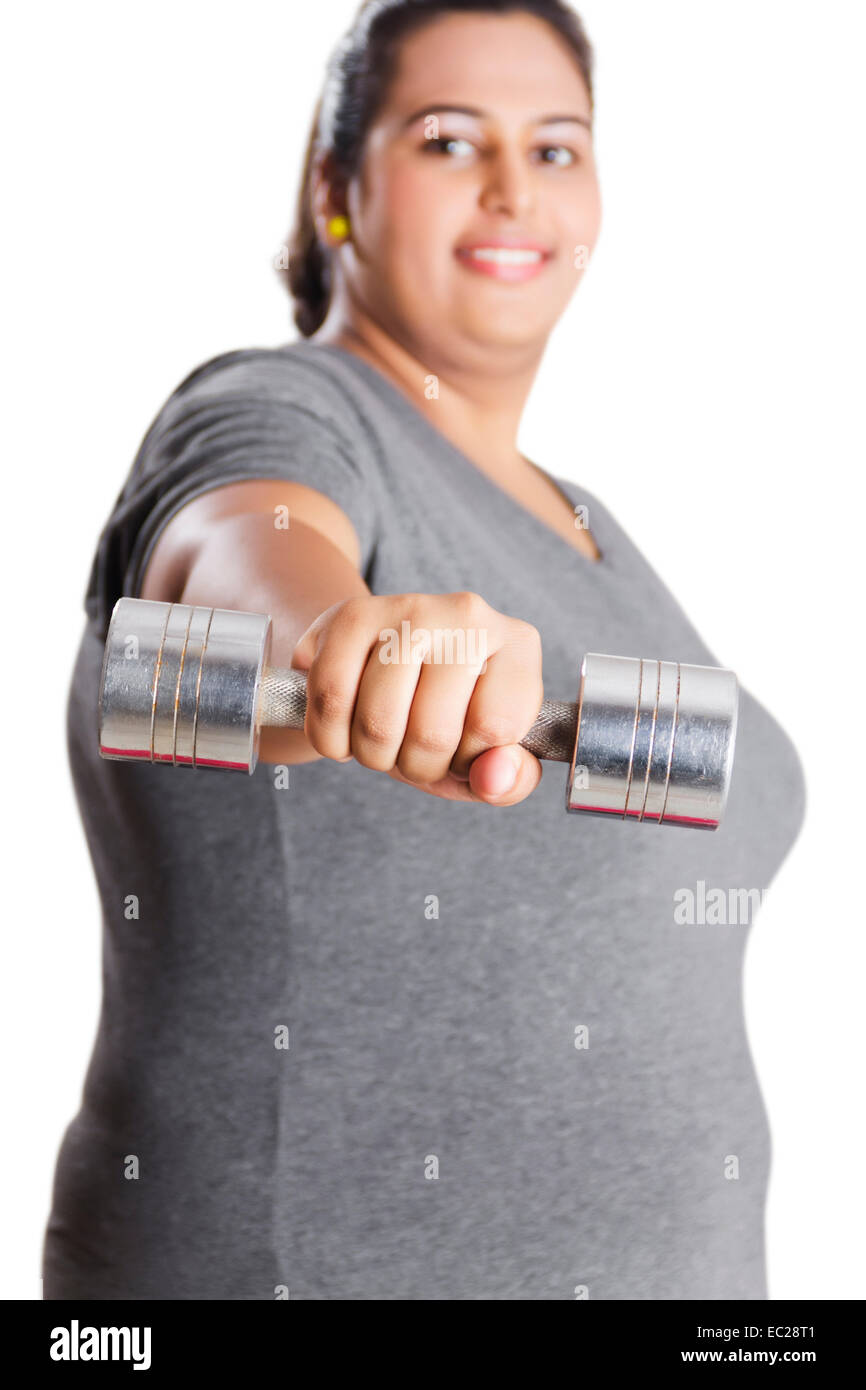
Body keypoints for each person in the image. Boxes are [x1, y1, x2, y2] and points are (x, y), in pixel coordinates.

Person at [43, 0, 806, 1300]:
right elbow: (235, 541)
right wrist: (342, 631)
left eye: (556, 148)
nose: (515, 189)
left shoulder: (585, 526)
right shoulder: (284, 408)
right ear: (336, 187)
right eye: (452, 141)